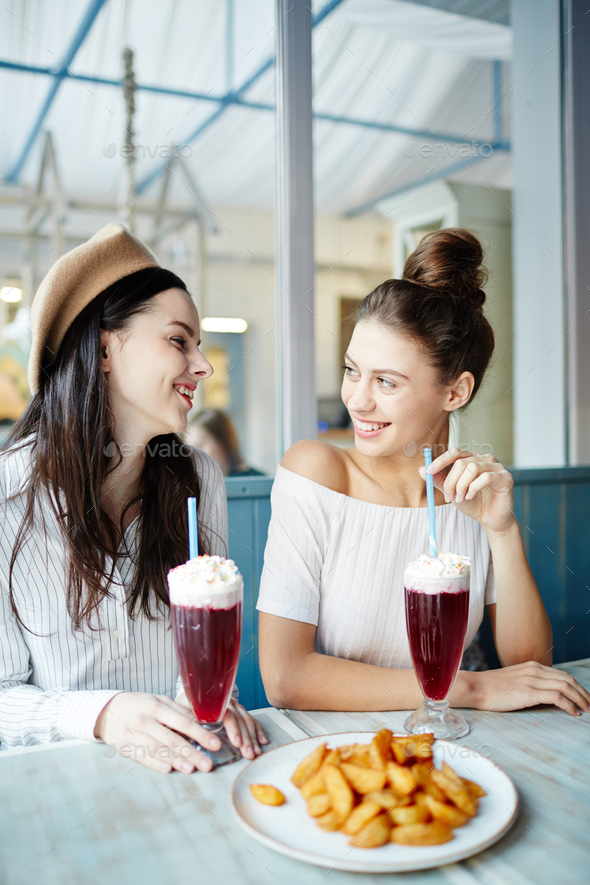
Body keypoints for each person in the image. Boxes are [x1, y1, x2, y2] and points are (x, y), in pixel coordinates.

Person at [257, 228, 590, 718]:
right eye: (353, 371)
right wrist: (468, 689)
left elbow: (529, 667)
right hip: (346, 750)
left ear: (455, 392)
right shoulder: (317, 471)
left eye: (386, 381)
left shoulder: (471, 492)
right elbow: (286, 678)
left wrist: (502, 530)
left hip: (458, 742)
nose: (357, 399)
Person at [0, 223, 267, 770]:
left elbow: (206, 648)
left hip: (186, 773)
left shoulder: (198, 478)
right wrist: (105, 715)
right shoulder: (8, 497)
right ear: (101, 348)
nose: (204, 365)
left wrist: (215, 701)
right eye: (178, 340)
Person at [185, 408, 264, 477]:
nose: (194, 455)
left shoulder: (255, 482)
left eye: (200, 445)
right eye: (189, 449)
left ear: (223, 443)